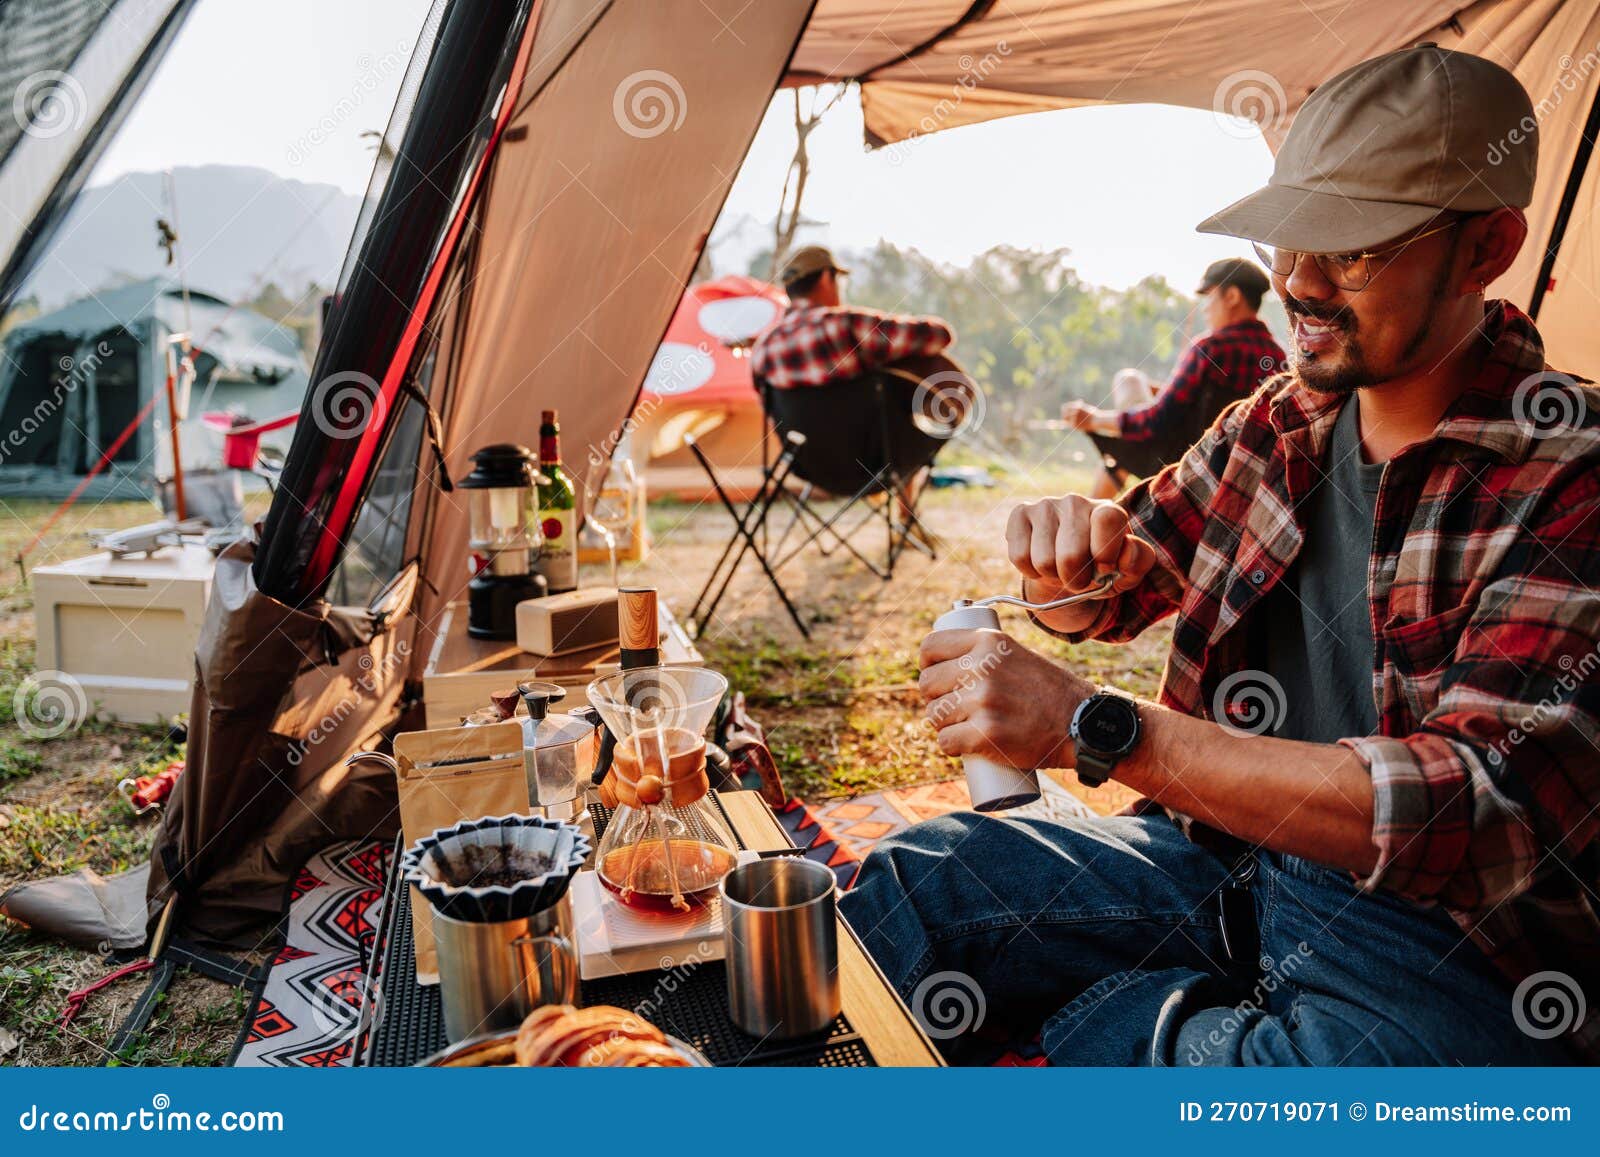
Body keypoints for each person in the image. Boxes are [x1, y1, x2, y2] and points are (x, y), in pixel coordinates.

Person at [840, 45, 1599, 1066]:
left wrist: (1093, 725)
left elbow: (1470, 804)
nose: (1298, 281)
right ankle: (1177, 1028)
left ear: (1487, 249)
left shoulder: (1568, 474)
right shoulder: (1277, 422)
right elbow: (1111, 587)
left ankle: (1127, 1025)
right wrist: (1060, 566)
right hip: (1216, 857)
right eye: (1285, 237)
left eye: (1354, 249)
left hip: (1436, 940)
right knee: (925, 875)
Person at [1063, 258, 1285, 497]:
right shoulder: (1278, 356)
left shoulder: (1210, 348)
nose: (1205, 307)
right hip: (1239, 469)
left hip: (1182, 462)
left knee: (1128, 380)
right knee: (1136, 392)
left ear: (1232, 296)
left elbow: (1156, 422)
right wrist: (1165, 391)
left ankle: (1089, 524)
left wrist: (1095, 418)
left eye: (1210, 296)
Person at [750, 245, 955, 389]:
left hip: (803, 450)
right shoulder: (846, 325)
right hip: (864, 448)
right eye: (839, 281)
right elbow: (939, 335)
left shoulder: (762, 351)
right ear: (825, 278)